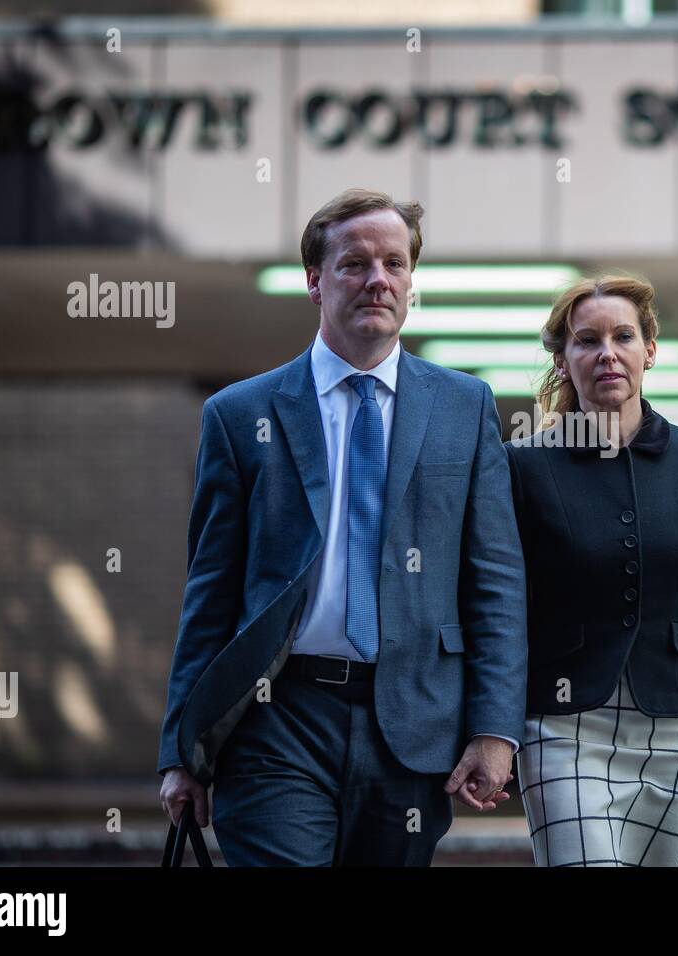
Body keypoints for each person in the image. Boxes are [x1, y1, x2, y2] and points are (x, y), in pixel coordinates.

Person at [156, 187, 527, 866]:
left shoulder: (464, 406)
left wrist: (495, 728)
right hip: (275, 718)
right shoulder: (241, 415)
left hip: (414, 721)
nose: (377, 279)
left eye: (394, 263)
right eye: (354, 264)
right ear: (314, 281)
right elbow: (209, 593)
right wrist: (182, 750)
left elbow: (496, 582)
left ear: (412, 282)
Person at [505, 274, 678, 867]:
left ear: (649, 350)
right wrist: (490, 730)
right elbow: (501, 608)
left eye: (623, 336)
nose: (606, 353)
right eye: (586, 340)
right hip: (563, 727)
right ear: (563, 361)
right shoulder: (524, 466)